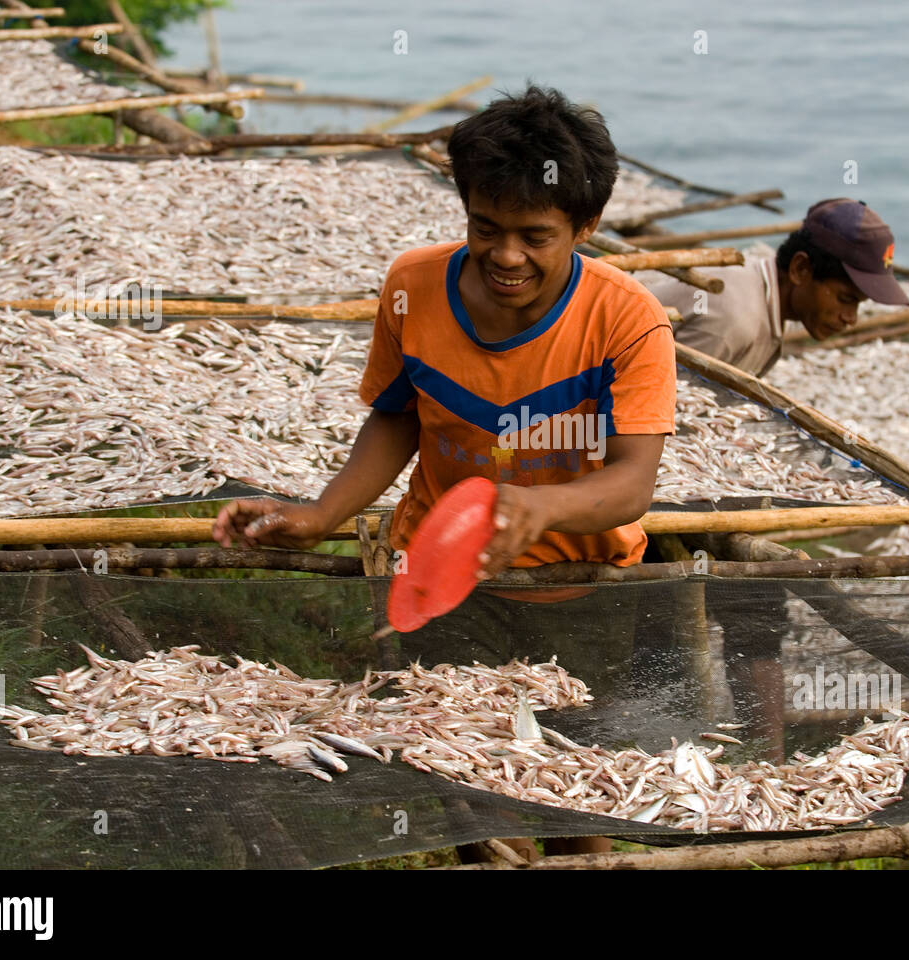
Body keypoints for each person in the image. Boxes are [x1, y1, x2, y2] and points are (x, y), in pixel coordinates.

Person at [211, 85, 677, 863]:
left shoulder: (627, 319)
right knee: (460, 772)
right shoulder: (413, 287)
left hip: (580, 586)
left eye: (535, 235)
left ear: (585, 227)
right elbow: (397, 416)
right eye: (485, 228)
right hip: (441, 578)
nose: (505, 255)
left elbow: (632, 484)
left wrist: (538, 507)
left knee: (568, 784)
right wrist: (323, 515)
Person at [641, 198, 909, 377]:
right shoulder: (734, 320)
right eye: (845, 298)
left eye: (858, 304)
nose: (850, 318)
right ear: (800, 269)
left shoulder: (763, 295)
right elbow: (663, 408)